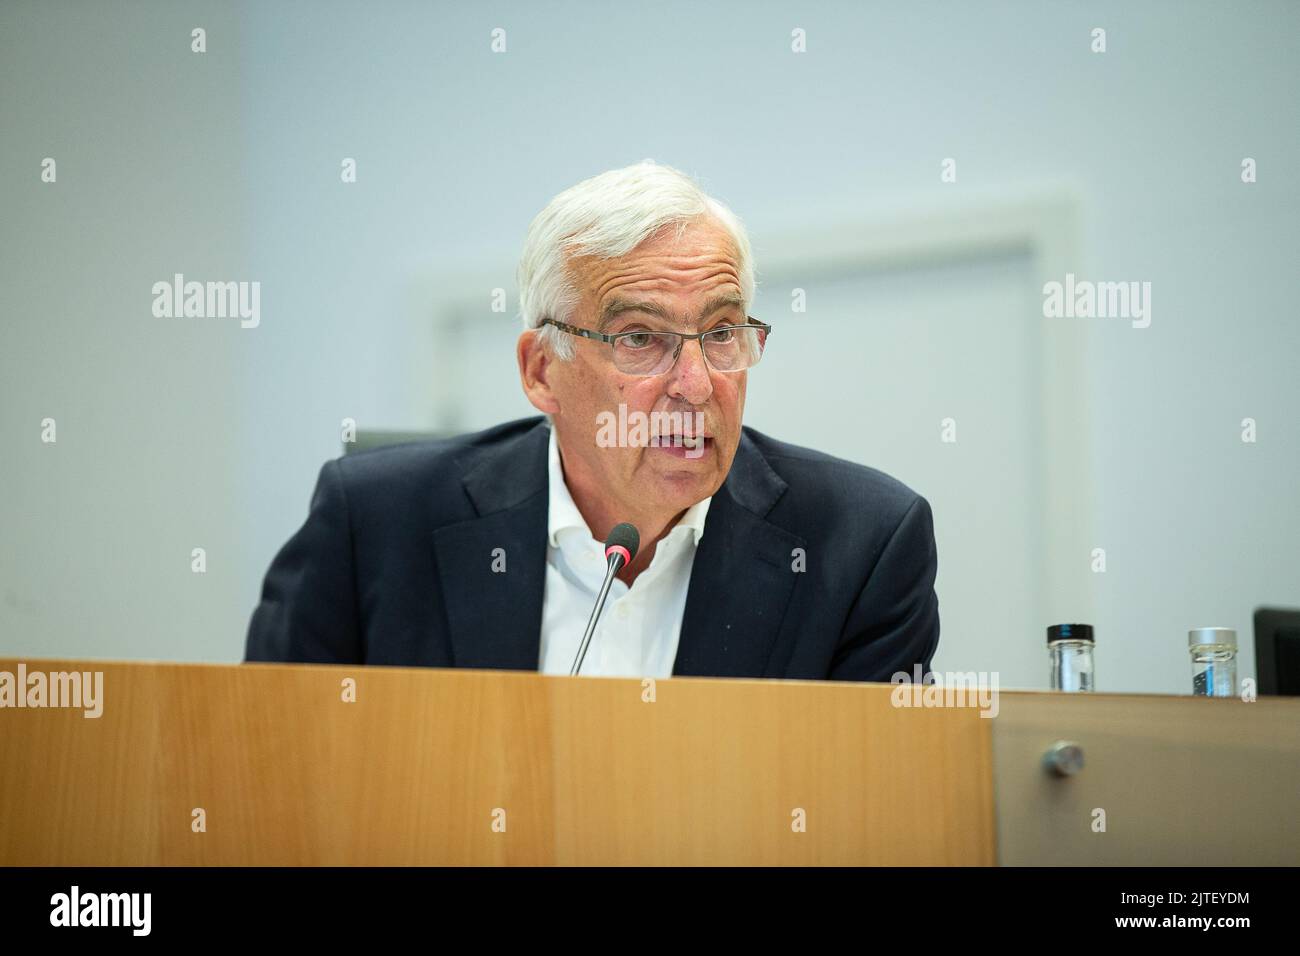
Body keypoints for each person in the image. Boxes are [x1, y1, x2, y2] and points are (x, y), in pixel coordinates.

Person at [245, 161, 940, 681]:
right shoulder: (372, 527)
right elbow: (263, 777)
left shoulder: (860, 545)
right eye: (640, 338)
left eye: (723, 332)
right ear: (541, 372)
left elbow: (870, 819)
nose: (696, 385)